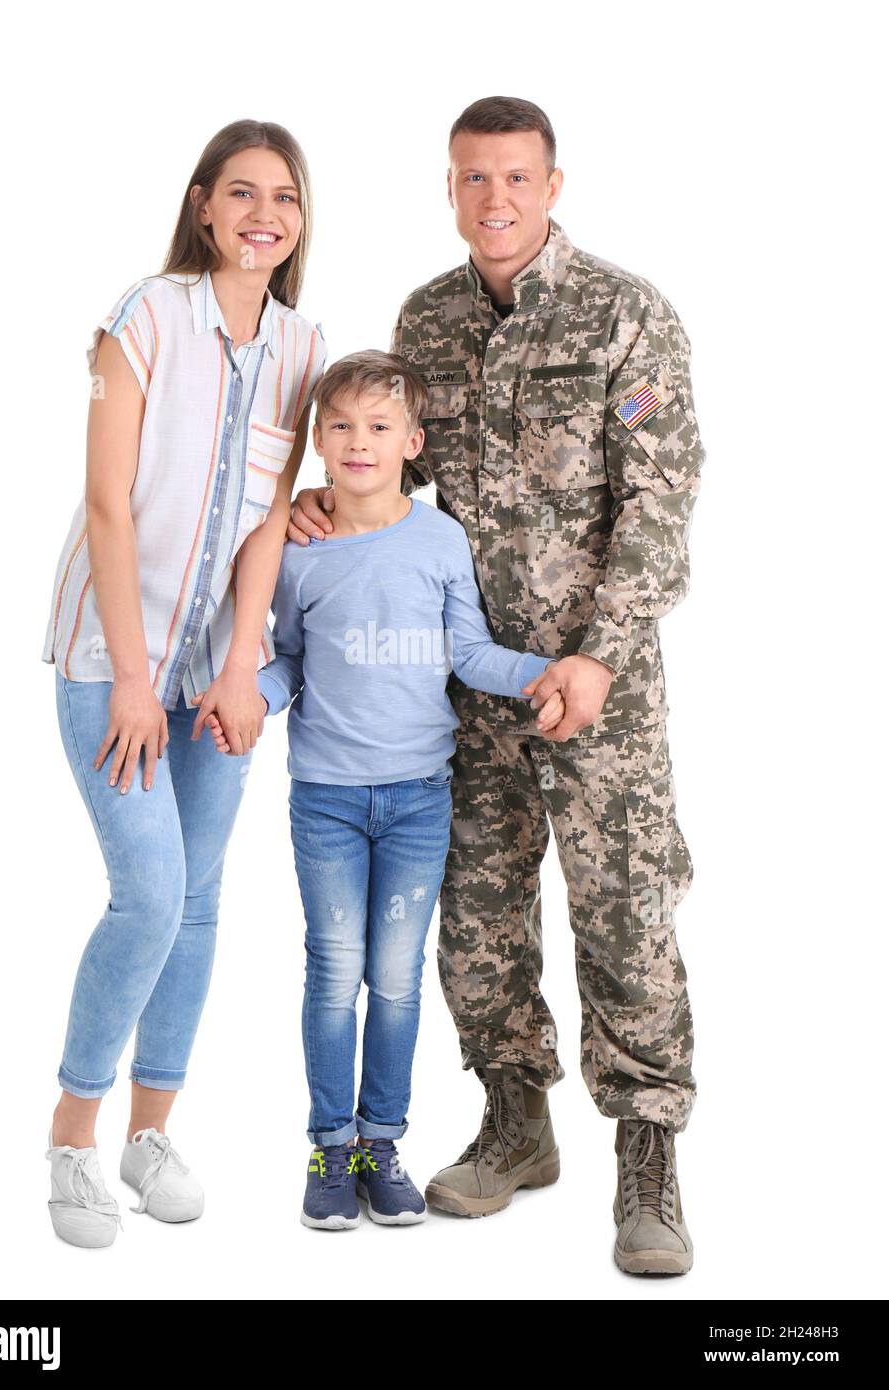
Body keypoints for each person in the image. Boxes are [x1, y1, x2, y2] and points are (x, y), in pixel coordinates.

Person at [287, 97, 705, 1275]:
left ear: (552, 184)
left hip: (596, 681)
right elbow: (383, 465)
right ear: (451, 187)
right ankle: (516, 1120)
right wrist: (326, 507)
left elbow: (659, 506)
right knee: (473, 911)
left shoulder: (625, 314)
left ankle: (647, 1149)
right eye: (473, 179)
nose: (495, 200)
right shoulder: (422, 320)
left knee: (623, 909)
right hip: (458, 686)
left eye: (516, 178)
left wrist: (599, 650)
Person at [39, 120, 327, 1247]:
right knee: (149, 893)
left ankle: (150, 1131)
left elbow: (265, 523)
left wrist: (245, 665)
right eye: (243, 193)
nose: (266, 214)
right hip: (112, 663)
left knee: (200, 899)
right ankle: (71, 1136)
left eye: (286, 197)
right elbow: (108, 503)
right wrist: (131, 680)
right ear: (204, 205)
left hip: (217, 679)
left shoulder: (303, 347)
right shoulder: (146, 316)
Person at [206, 351, 566, 1229]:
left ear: (413, 441)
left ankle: (381, 1143)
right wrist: (255, 698)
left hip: (417, 799)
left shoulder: (441, 538)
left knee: (397, 980)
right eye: (340, 427)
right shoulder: (296, 552)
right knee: (336, 975)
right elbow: (289, 659)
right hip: (326, 799)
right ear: (317, 443)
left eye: (379, 427)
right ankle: (331, 1148)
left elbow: (470, 654)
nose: (359, 443)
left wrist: (546, 671)